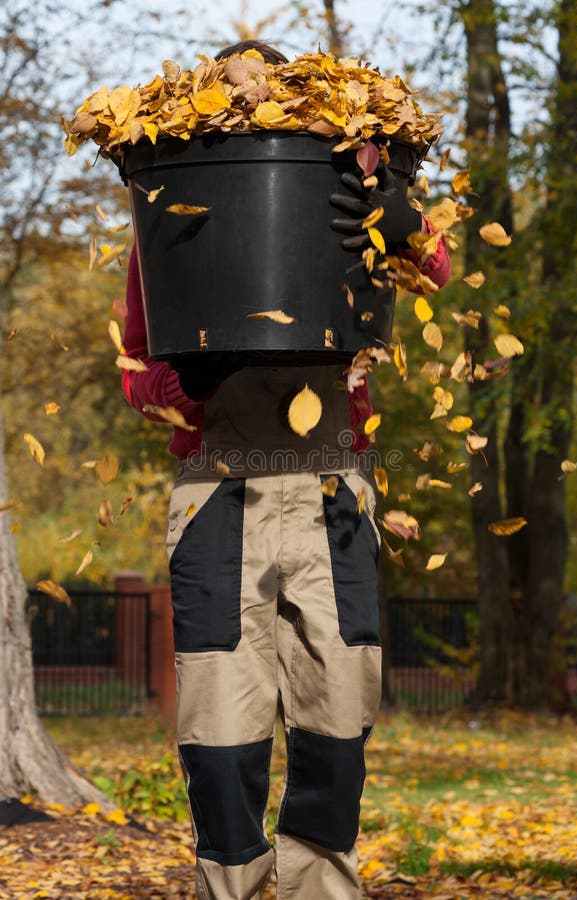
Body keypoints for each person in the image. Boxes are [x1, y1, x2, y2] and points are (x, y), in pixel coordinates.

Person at [121, 40, 450, 900]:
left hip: (335, 488)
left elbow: (438, 270)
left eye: (265, 87)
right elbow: (133, 366)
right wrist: (185, 383)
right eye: (233, 90)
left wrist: (403, 221)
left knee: (338, 711)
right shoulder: (176, 205)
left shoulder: (347, 173)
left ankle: (321, 890)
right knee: (220, 721)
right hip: (219, 490)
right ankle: (230, 887)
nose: (251, 99)